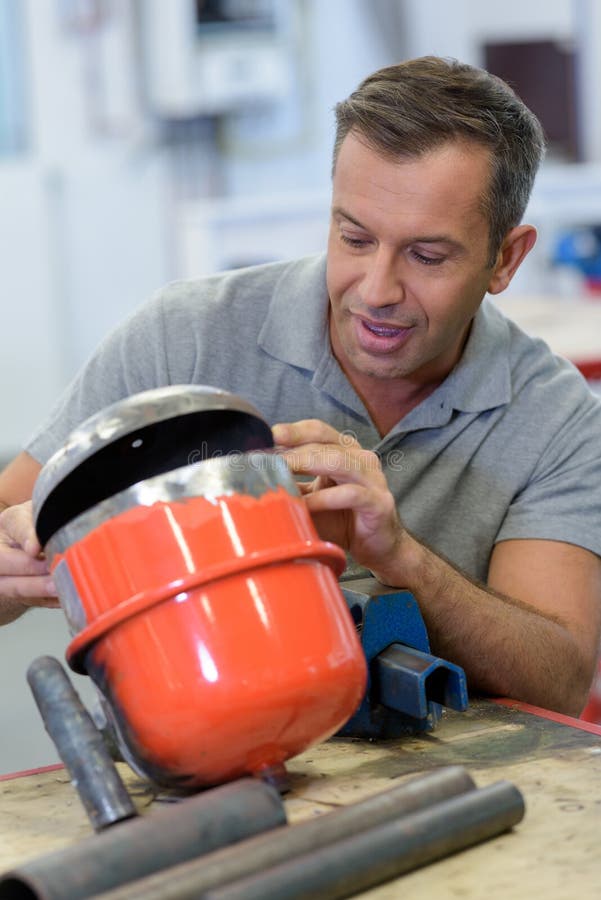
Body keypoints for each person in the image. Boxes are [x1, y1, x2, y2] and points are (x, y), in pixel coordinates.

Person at [1, 56, 600, 716]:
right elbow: (9, 525)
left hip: (449, 768)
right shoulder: (184, 338)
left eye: (427, 256)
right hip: (187, 751)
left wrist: (399, 556)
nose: (377, 290)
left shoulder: (558, 418)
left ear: (505, 259)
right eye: (354, 238)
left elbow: (558, 683)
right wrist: (23, 562)